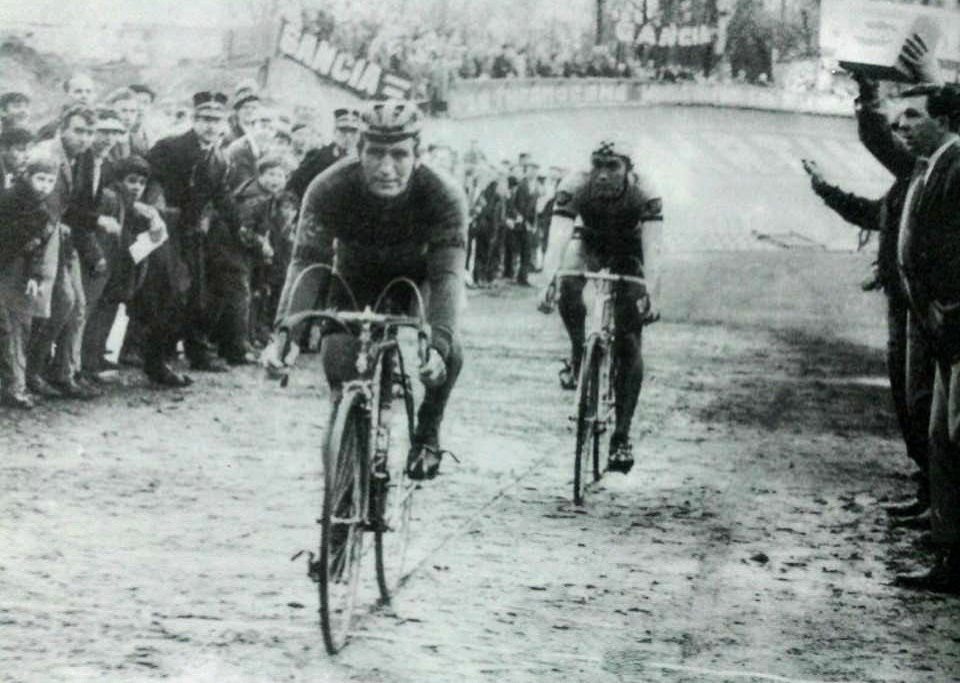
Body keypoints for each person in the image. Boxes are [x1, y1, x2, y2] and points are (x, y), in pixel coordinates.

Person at [267, 99, 467, 480]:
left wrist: (438, 344)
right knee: (339, 367)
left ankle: (427, 432)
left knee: (450, 350)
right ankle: (346, 467)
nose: (386, 168)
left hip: (420, 280)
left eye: (399, 155)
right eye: (375, 154)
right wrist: (286, 332)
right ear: (358, 151)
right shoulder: (329, 186)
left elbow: (447, 277)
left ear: (418, 155)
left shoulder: (444, 194)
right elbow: (307, 263)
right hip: (355, 278)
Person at [537, 138, 663, 474]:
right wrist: (548, 279)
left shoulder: (645, 191)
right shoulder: (575, 184)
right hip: (589, 240)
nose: (603, 175)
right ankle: (580, 352)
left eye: (612, 167)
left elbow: (653, 249)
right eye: (597, 165)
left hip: (630, 248)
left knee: (628, 338)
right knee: (567, 284)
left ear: (628, 170)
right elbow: (558, 239)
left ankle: (621, 436)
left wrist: (653, 291)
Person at [888, 84, 960, 593]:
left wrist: (949, 308)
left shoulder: (956, 166)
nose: (903, 125)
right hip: (940, 328)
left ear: (945, 119)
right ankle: (950, 556)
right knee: (942, 439)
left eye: (913, 115)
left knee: (956, 438)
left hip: (954, 324)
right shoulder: (934, 166)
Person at [147, 90, 231, 373]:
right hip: (163, 228)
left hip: (192, 233)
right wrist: (156, 214)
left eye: (216, 120)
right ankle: (156, 360)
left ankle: (191, 352)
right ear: (194, 119)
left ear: (224, 124)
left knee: (196, 294)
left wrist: (239, 226)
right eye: (205, 119)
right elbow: (148, 181)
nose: (210, 125)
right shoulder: (170, 147)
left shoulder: (219, 158)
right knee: (169, 291)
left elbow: (221, 196)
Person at [0, 157, 59, 408]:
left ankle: (13, 386)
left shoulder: (43, 211)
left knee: (11, 327)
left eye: (49, 181)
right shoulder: (9, 200)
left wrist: (34, 274)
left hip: (12, 268)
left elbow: (38, 245)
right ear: (28, 176)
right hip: (5, 265)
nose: (44, 185)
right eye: (40, 179)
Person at [286, 108, 361, 200]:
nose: (348, 136)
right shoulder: (318, 155)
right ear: (334, 131)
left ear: (359, 135)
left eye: (353, 131)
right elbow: (296, 183)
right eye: (343, 131)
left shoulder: (361, 160)